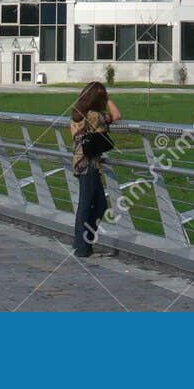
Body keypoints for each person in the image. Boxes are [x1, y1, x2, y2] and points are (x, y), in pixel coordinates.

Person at [70, 80, 121, 259]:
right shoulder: (94, 116)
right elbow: (116, 115)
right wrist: (108, 99)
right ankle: (83, 247)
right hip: (89, 165)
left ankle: (83, 245)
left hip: (80, 163)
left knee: (96, 205)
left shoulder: (77, 113)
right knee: (91, 206)